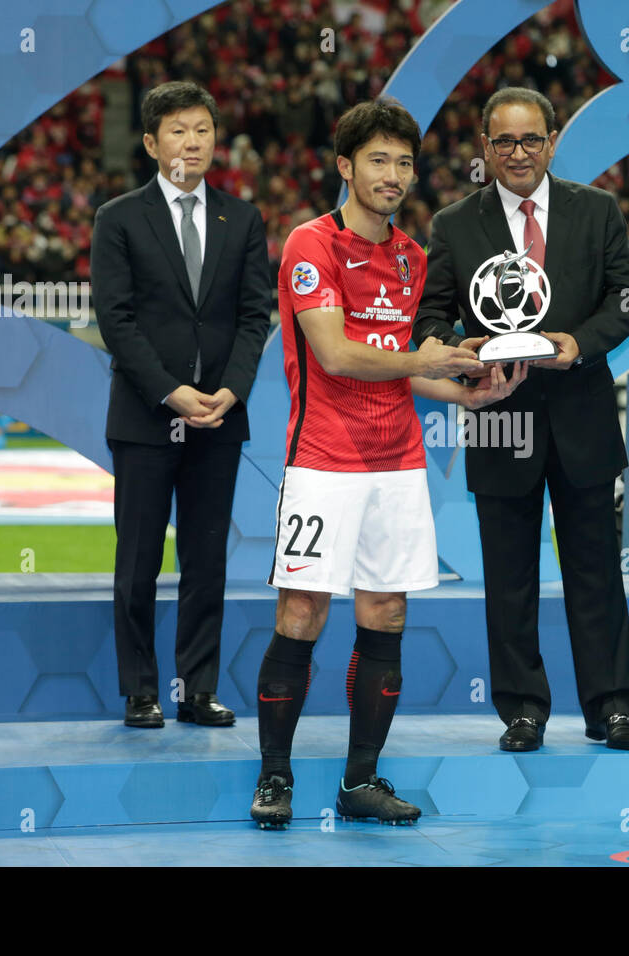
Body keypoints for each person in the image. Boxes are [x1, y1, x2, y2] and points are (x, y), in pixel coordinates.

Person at [251, 98, 525, 828]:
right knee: (302, 612)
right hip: (323, 461)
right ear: (345, 167)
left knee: (387, 612)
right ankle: (274, 777)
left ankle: (360, 781)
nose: (394, 175)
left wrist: (466, 388)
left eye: (404, 162)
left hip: (399, 462)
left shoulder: (412, 256)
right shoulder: (310, 246)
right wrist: (425, 357)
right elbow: (337, 355)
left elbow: (403, 371)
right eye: (378, 160)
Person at [413, 87, 629, 753]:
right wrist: (458, 355)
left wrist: (583, 341)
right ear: (485, 149)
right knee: (509, 578)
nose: (518, 152)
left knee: (597, 574)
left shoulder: (596, 210)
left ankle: (612, 710)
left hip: (581, 414)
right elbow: (430, 314)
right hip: (497, 416)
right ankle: (522, 711)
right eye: (504, 141)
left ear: (551, 143)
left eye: (530, 140)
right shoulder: (455, 224)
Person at [93, 81, 270, 730]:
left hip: (220, 418)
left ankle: (199, 688)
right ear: (150, 143)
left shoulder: (243, 219)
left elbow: (256, 317)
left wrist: (231, 390)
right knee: (137, 559)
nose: (191, 142)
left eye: (202, 129)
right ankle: (141, 690)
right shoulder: (118, 219)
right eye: (177, 130)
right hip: (144, 418)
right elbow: (116, 319)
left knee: (206, 561)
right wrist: (171, 390)